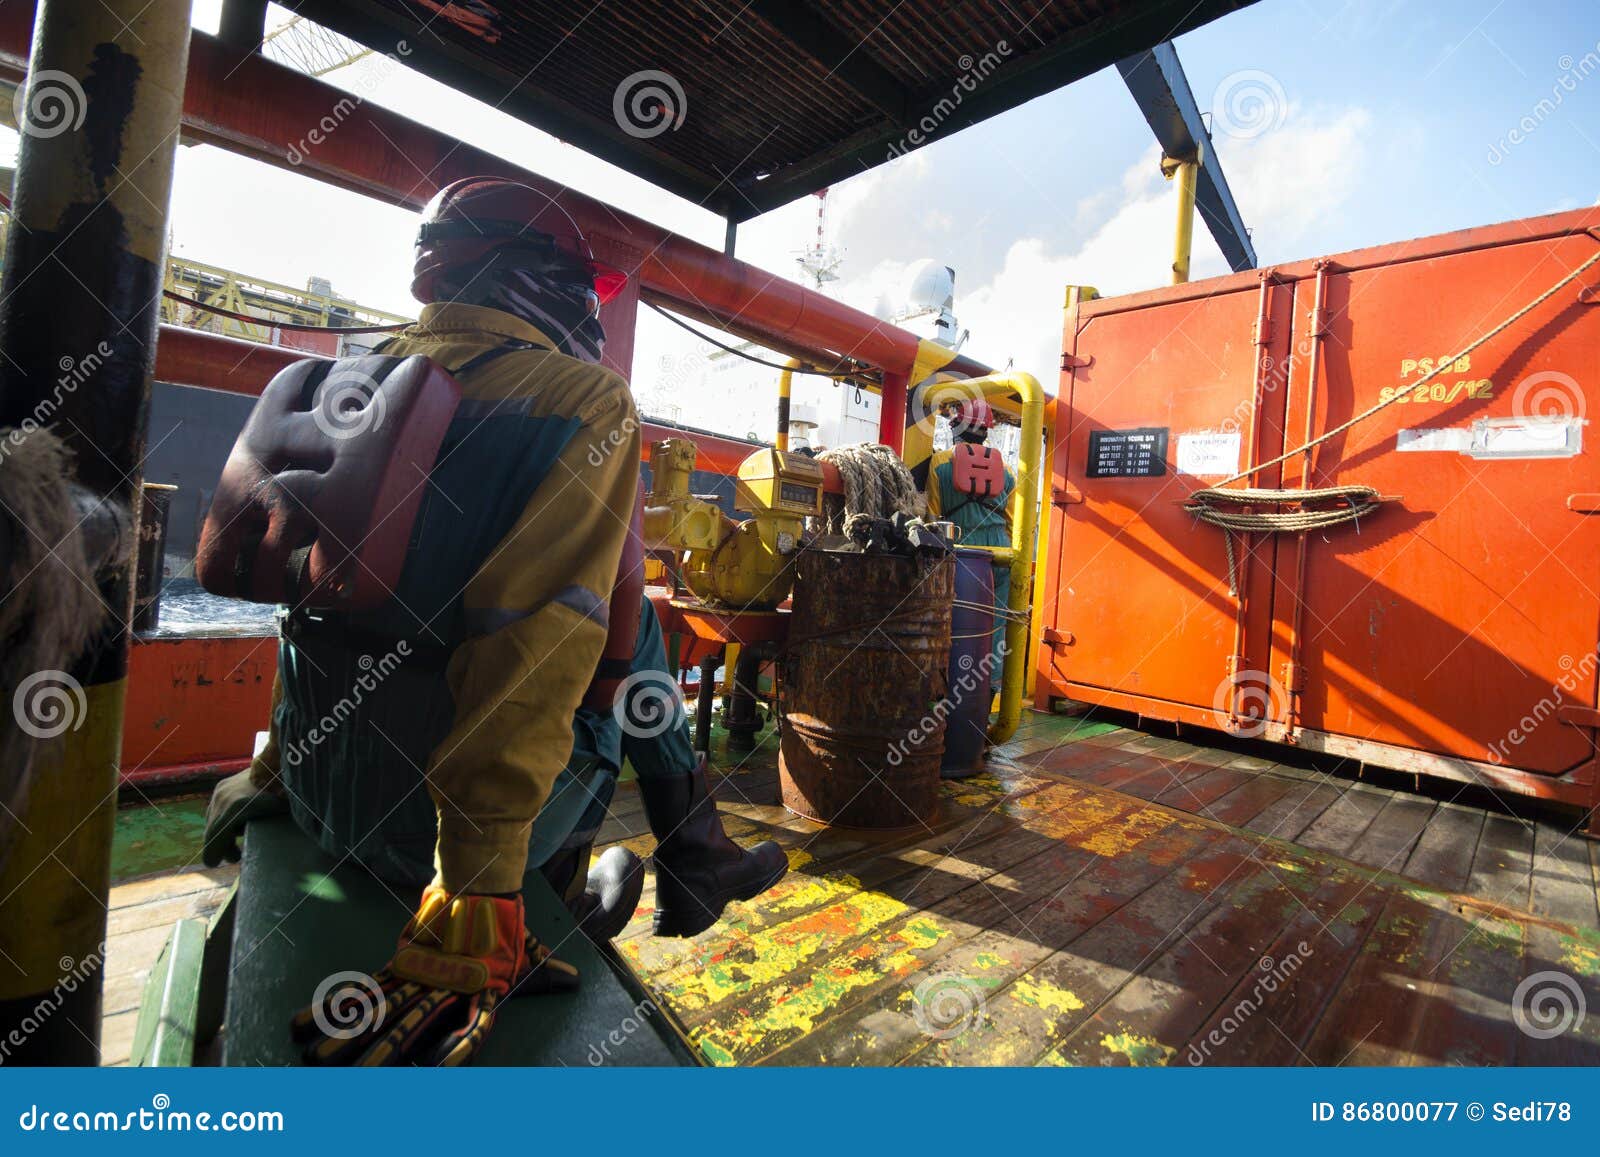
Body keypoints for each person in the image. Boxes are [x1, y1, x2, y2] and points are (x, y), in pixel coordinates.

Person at [202, 177, 785, 1066]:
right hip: (422, 842)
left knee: (621, 617)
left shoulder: (345, 378)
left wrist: (278, 763)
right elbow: (531, 650)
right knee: (610, 640)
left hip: (321, 789)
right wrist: (473, 895)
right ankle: (641, 867)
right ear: (541, 281)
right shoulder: (582, 398)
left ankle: (689, 853)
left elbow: (304, 602)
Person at [925, 398, 1014, 680]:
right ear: (987, 431)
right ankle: (986, 696)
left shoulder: (940, 464)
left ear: (955, 427)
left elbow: (933, 518)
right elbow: (1013, 523)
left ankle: (948, 697)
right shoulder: (1008, 472)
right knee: (994, 628)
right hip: (999, 555)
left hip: (960, 555)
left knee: (951, 625)